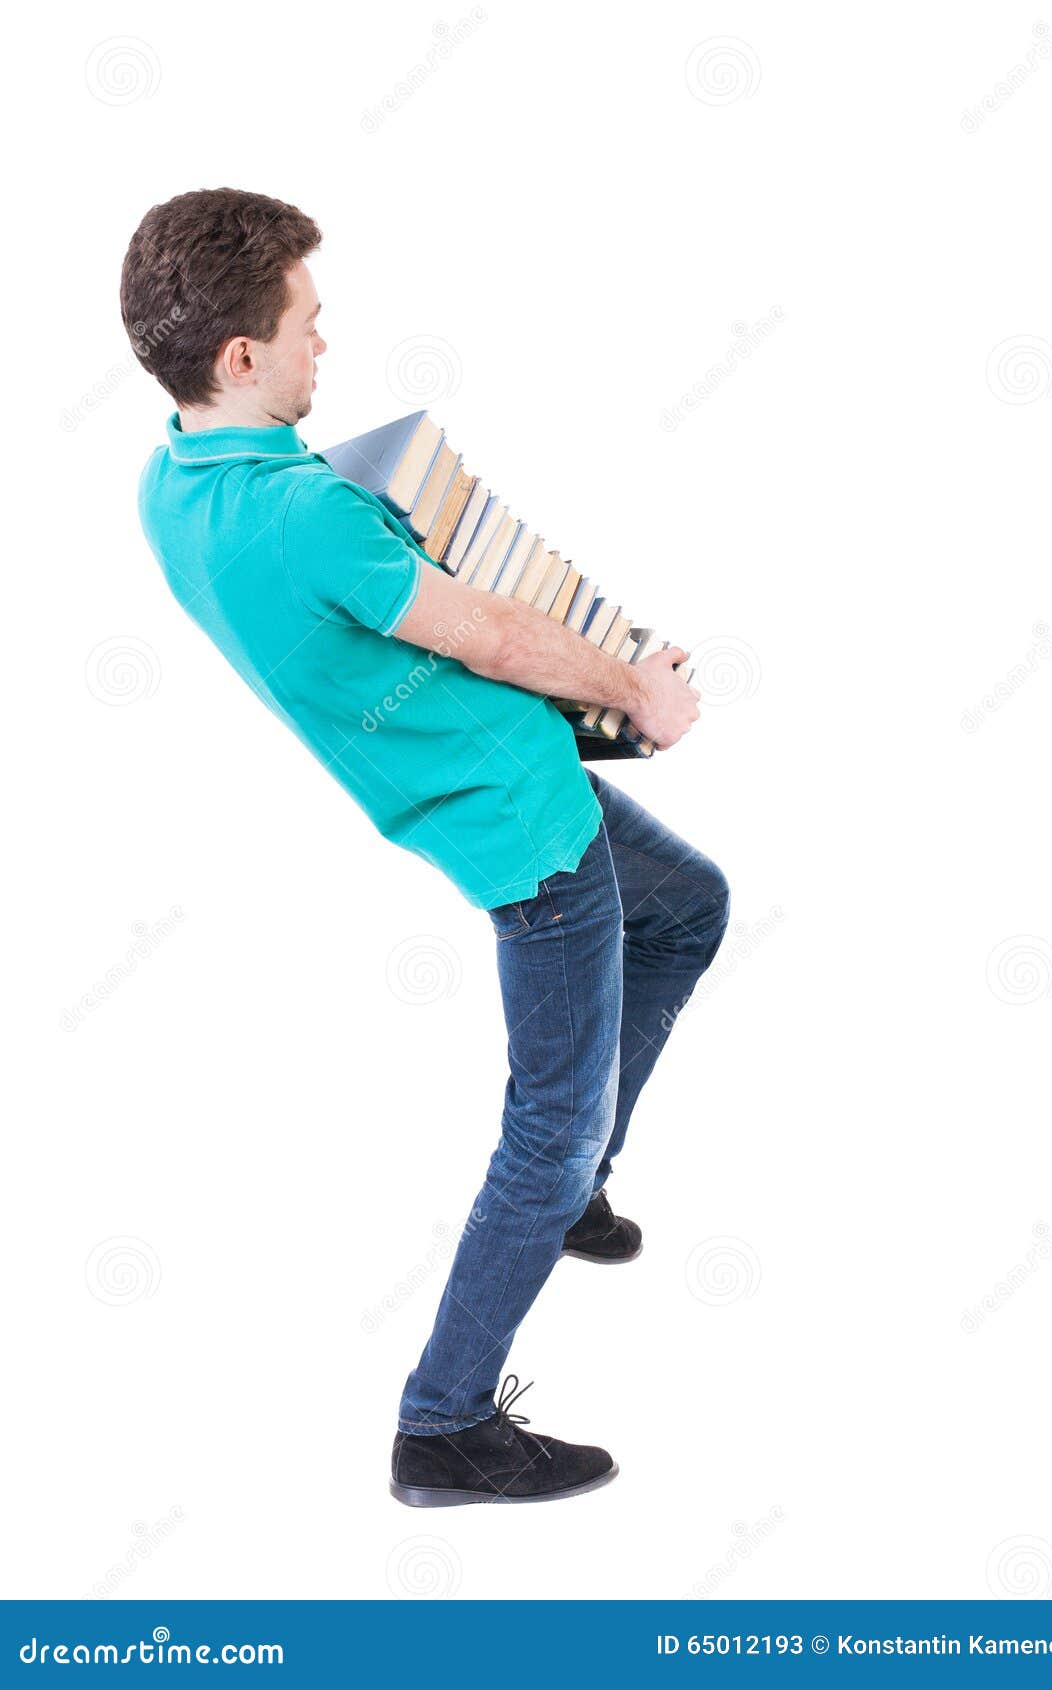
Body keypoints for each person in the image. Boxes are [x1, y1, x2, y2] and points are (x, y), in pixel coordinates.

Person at [122, 188, 730, 1507]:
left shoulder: (173, 484)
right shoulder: (308, 517)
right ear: (241, 358)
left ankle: (577, 1181)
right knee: (543, 1129)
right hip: (528, 834)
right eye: (306, 324)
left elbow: (344, 588)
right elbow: (494, 639)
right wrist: (638, 690)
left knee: (690, 907)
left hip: (492, 789)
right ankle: (443, 1426)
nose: (323, 346)